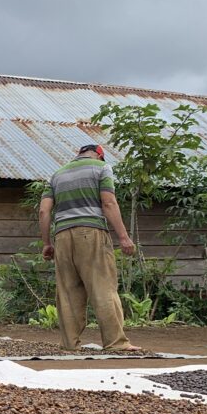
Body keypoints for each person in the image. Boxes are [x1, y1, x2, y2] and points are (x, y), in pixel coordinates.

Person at [38, 144, 141, 351]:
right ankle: (115, 343)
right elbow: (109, 203)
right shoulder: (101, 168)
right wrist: (123, 237)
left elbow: (43, 211)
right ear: (99, 155)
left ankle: (69, 344)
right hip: (91, 233)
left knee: (67, 292)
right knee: (103, 287)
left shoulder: (57, 175)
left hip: (62, 237)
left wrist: (47, 243)